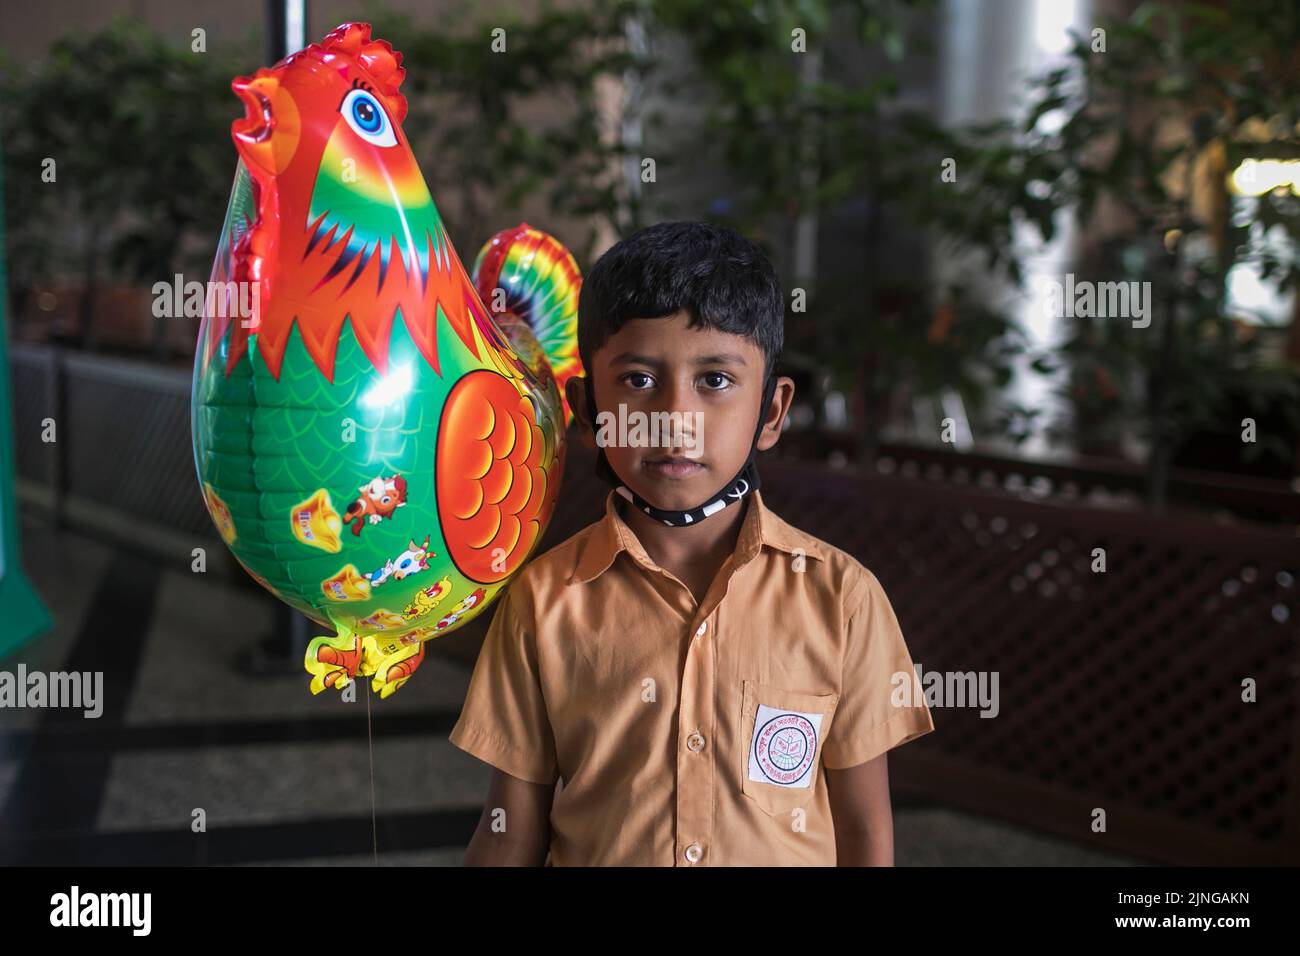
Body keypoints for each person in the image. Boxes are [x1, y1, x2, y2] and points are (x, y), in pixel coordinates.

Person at [449, 220, 934, 866]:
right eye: (639, 381)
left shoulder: (842, 599)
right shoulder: (544, 602)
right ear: (588, 410)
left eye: (715, 381)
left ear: (773, 411)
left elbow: (865, 835)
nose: (676, 419)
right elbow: (511, 830)